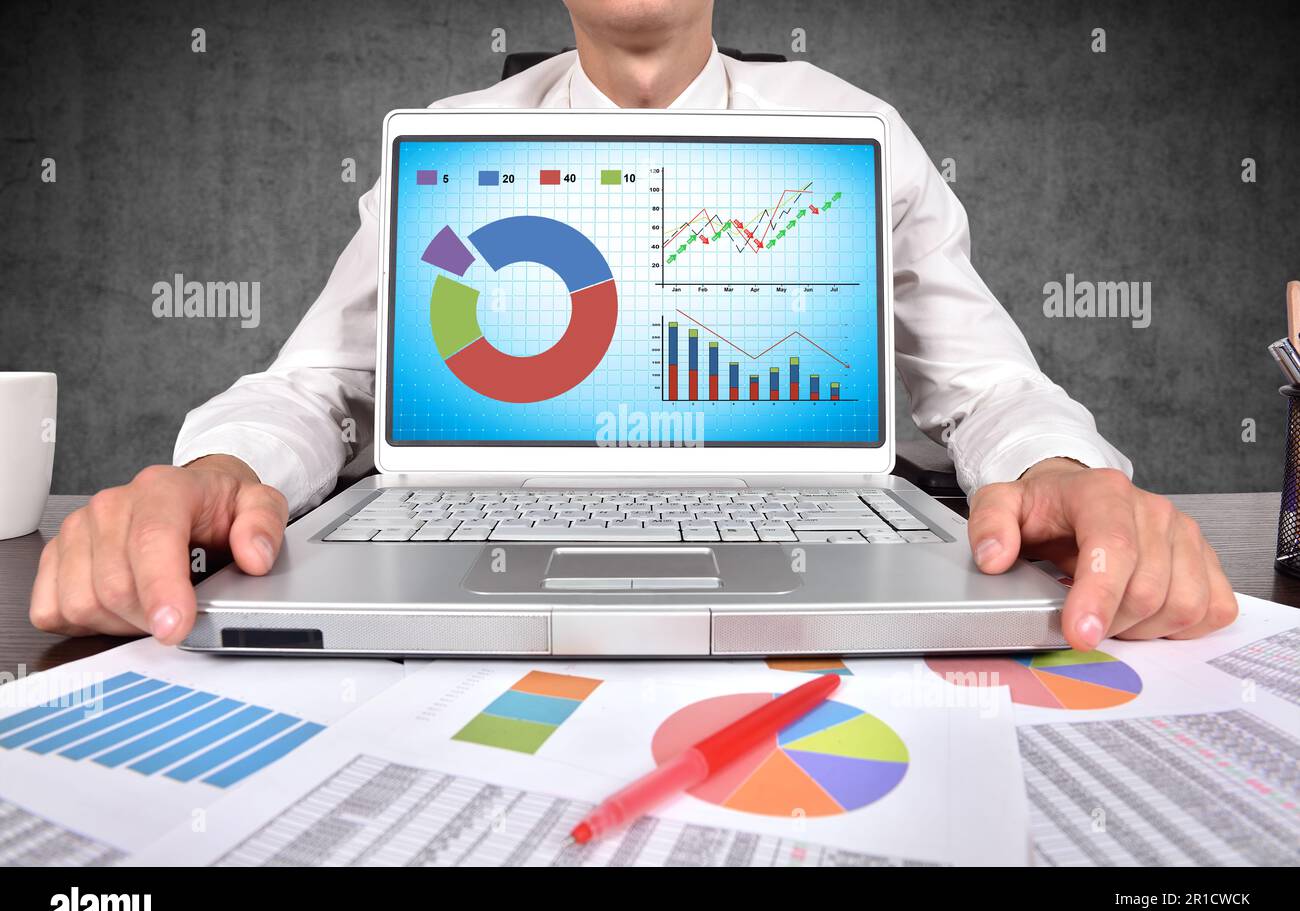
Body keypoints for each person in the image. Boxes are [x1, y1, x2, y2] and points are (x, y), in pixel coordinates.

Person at [29, 0, 1237, 651]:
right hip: (470, 524)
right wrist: (217, 470)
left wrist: (1063, 472)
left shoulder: (855, 131)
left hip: (812, 532)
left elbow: (987, 391)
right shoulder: (453, 141)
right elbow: (315, 387)